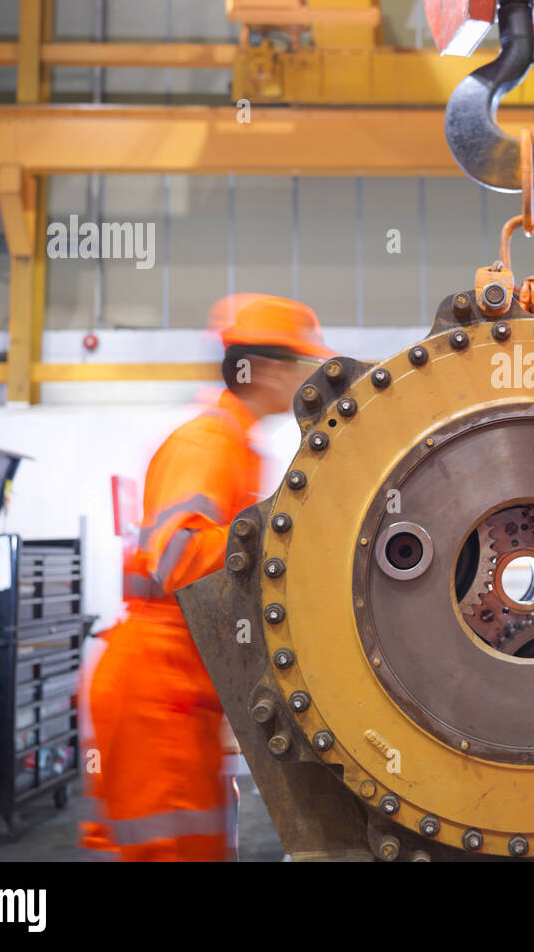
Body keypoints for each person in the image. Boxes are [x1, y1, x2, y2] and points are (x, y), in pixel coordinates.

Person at [80, 294, 332, 861]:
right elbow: (175, 556)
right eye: (301, 366)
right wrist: (285, 530)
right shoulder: (210, 440)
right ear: (265, 369)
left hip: (179, 687)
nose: (309, 381)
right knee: (169, 849)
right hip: (156, 689)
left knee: (200, 843)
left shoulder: (233, 443)